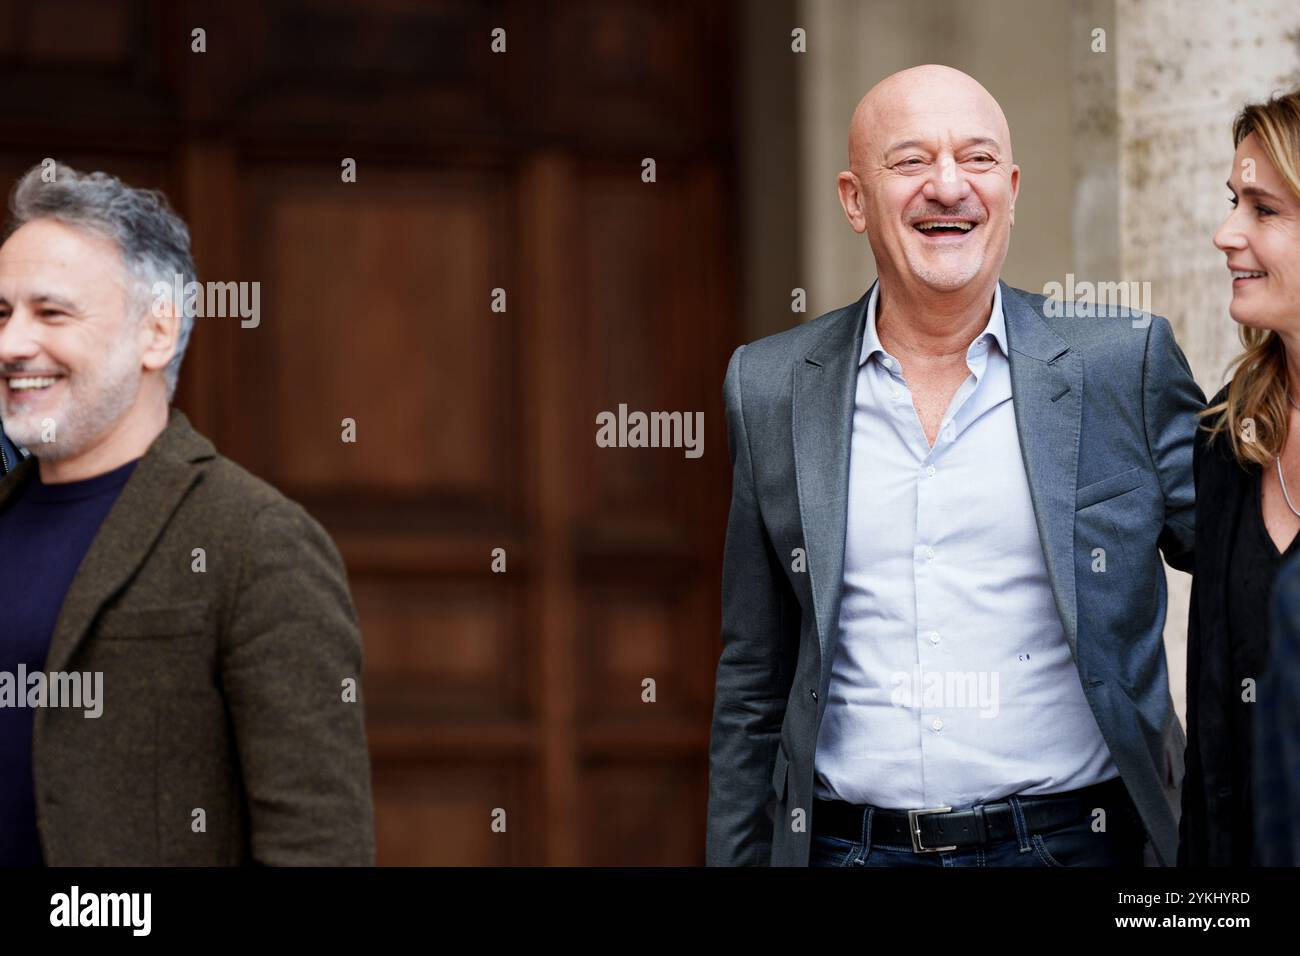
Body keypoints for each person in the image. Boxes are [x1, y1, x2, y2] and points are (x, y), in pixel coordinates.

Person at [705, 65, 1203, 867]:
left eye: (976, 160)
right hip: (849, 851)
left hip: (1076, 847)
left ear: (1009, 188)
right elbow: (753, 679)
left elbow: (1248, 566)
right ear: (853, 198)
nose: (948, 186)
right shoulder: (767, 388)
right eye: (909, 162)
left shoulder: (1122, 362)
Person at [0, 163, 374, 865]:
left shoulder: (256, 539)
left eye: (50, 313)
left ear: (156, 333)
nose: (11, 345)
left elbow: (319, 843)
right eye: (1, 314)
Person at [1183, 89, 1300, 867]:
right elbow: (1214, 740)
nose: (1227, 234)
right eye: (1234, 202)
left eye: (1262, 208)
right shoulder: (1231, 431)